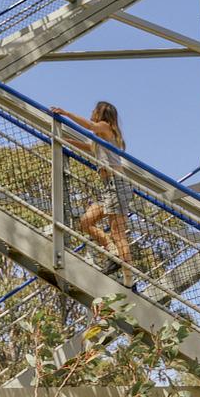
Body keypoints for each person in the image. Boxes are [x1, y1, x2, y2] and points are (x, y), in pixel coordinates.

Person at [50, 101, 134, 288]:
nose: (90, 112)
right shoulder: (100, 137)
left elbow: (88, 126)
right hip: (108, 187)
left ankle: (129, 279)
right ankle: (112, 250)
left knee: (118, 233)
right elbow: (89, 148)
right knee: (86, 222)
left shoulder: (104, 127)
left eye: (93, 110)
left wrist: (66, 112)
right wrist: (64, 142)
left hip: (116, 184)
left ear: (101, 113)